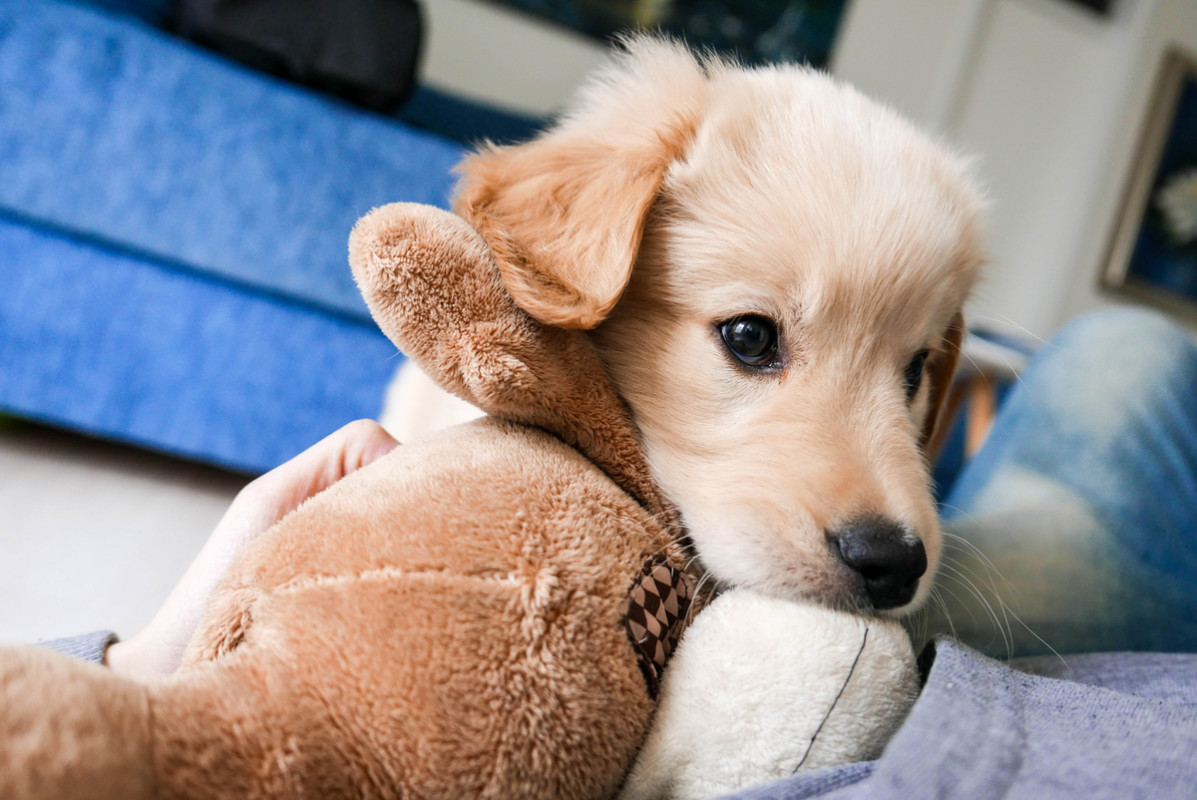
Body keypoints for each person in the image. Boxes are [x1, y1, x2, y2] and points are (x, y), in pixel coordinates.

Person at [36, 306, 1197, 798]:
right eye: (753, 337)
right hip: (1012, 733)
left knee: (1104, 363)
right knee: (1125, 352)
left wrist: (138, 667)